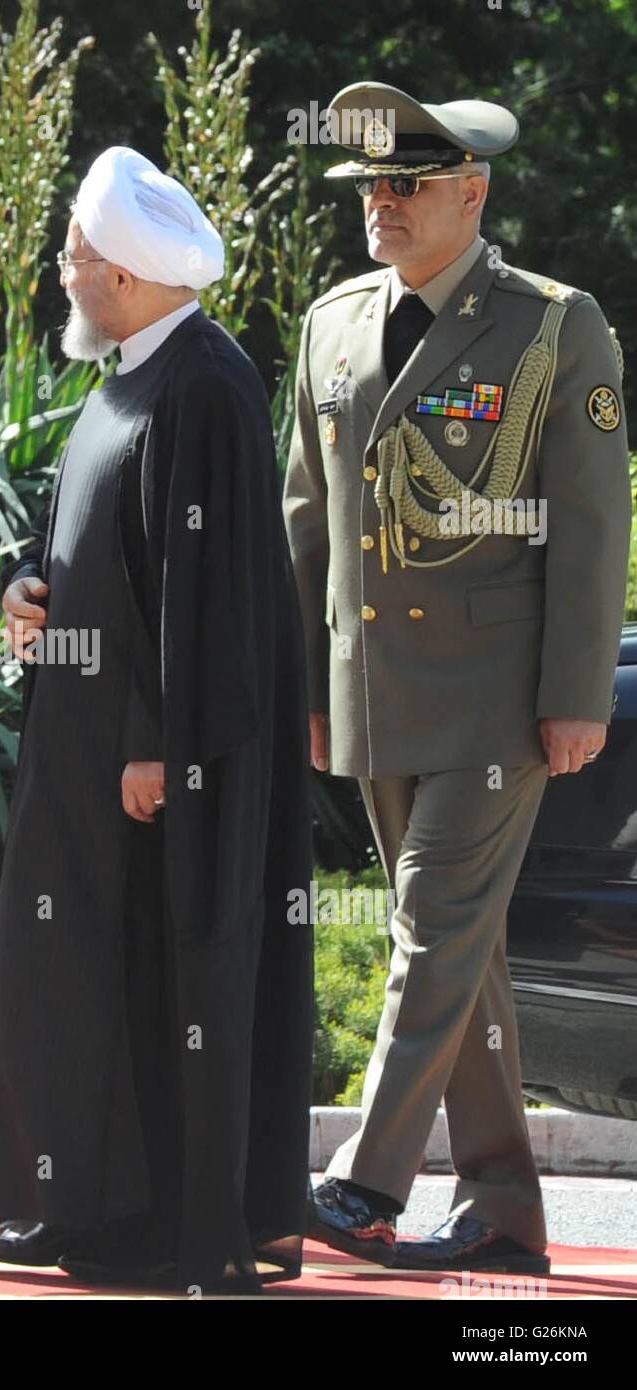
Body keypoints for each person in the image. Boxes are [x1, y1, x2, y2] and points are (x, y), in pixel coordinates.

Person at [283, 82, 631, 1274]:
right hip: (376, 686)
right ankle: (500, 1214)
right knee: (462, 951)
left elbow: (591, 522)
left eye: (406, 186)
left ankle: (364, 1180)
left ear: (470, 193)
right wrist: (310, 681)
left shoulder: (550, 322)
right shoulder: (332, 321)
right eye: (371, 185)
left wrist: (576, 692)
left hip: (497, 689)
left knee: (430, 926)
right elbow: (306, 521)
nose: (380, 205)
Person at [0, 146, 314, 1293]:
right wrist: (29, 588)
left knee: (166, 985)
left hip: (152, 763)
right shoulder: (127, 372)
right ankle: (81, 1206)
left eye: (73, 255)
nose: (62, 273)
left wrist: (160, 741)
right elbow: (94, 539)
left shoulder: (204, 385)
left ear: (118, 269)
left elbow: (209, 594)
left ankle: (171, 1224)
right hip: (78, 750)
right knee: (60, 974)